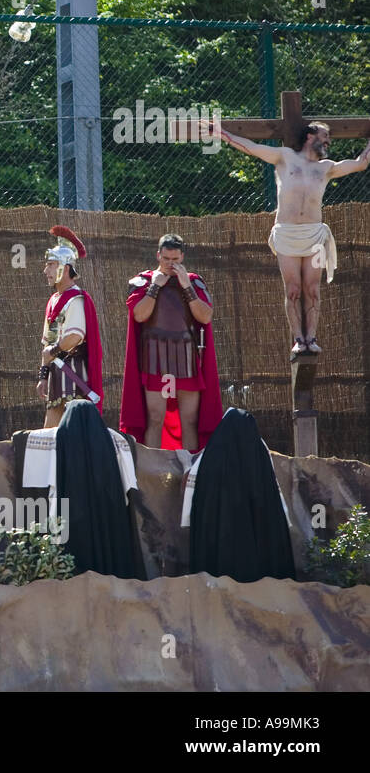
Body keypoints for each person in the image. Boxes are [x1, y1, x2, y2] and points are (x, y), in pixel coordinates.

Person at [205, 118, 370, 354]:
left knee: (312, 289)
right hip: (287, 235)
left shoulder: (327, 168)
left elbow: (360, 163)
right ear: (310, 137)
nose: (328, 141)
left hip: (314, 236)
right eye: (325, 136)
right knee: (292, 289)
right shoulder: (285, 157)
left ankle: (311, 338)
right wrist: (222, 133)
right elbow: (251, 147)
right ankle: (298, 339)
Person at [119, 234, 222, 453]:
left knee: (190, 420)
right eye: (166, 258)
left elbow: (205, 317)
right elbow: (139, 315)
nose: (170, 264)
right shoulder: (144, 281)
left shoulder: (194, 281)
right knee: (155, 418)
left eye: (175, 259)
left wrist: (187, 286)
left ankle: (190, 475)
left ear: (182, 256)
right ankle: (152, 476)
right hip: (154, 358)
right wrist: (155, 286)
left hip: (187, 359)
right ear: (158, 255)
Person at [181, 407, 295, 582]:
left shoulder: (210, 458)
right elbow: (274, 499)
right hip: (256, 553)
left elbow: (195, 502)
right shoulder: (259, 455)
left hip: (219, 546)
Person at [29, 400, 140, 578]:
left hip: (72, 518)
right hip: (105, 518)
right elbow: (127, 486)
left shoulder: (62, 438)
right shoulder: (111, 441)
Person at [36, 226, 103, 427]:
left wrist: (53, 351)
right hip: (58, 373)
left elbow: (74, 337)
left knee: (66, 432)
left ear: (65, 268)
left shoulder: (75, 300)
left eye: (50, 265)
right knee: (51, 431)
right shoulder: (54, 300)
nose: (45, 270)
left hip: (73, 374)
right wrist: (44, 375)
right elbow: (47, 343)